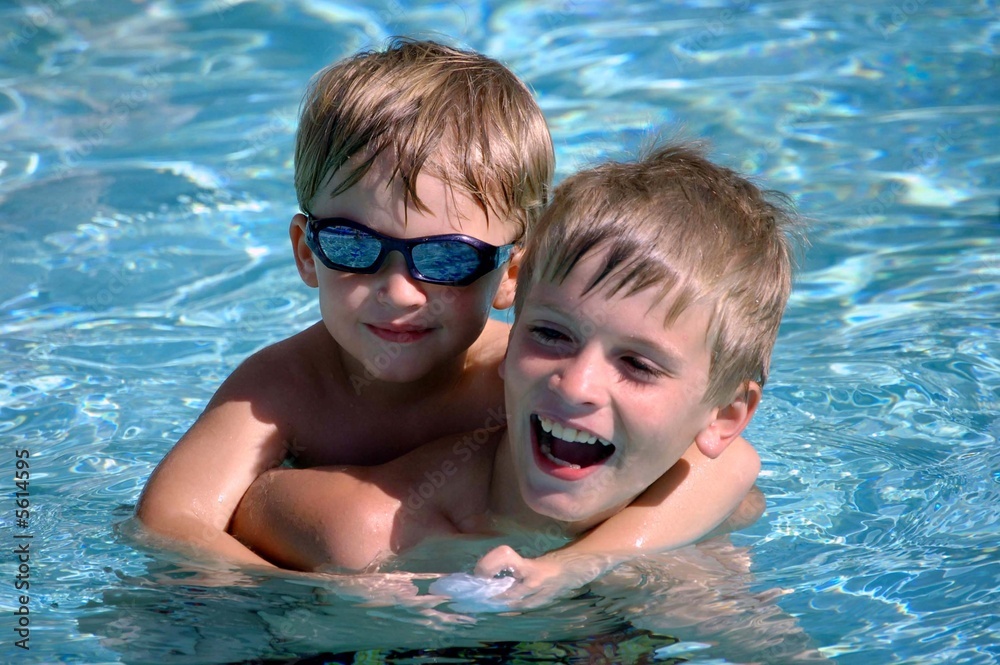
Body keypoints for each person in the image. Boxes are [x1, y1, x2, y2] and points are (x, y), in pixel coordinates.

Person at [135, 37, 758, 569]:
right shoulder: (282, 390)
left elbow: (727, 468)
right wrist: (310, 597)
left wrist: (579, 567)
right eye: (353, 246)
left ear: (511, 272)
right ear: (306, 251)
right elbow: (169, 523)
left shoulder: (529, 374)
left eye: (447, 258)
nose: (398, 290)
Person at [229, 142, 799, 597]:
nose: (575, 385)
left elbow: (733, 473)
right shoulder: (377, 535)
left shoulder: (708, 535)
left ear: (725, 417)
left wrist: (587, 565)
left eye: (638, 364)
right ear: (507, 343)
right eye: (551, 335)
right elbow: (238, 517)